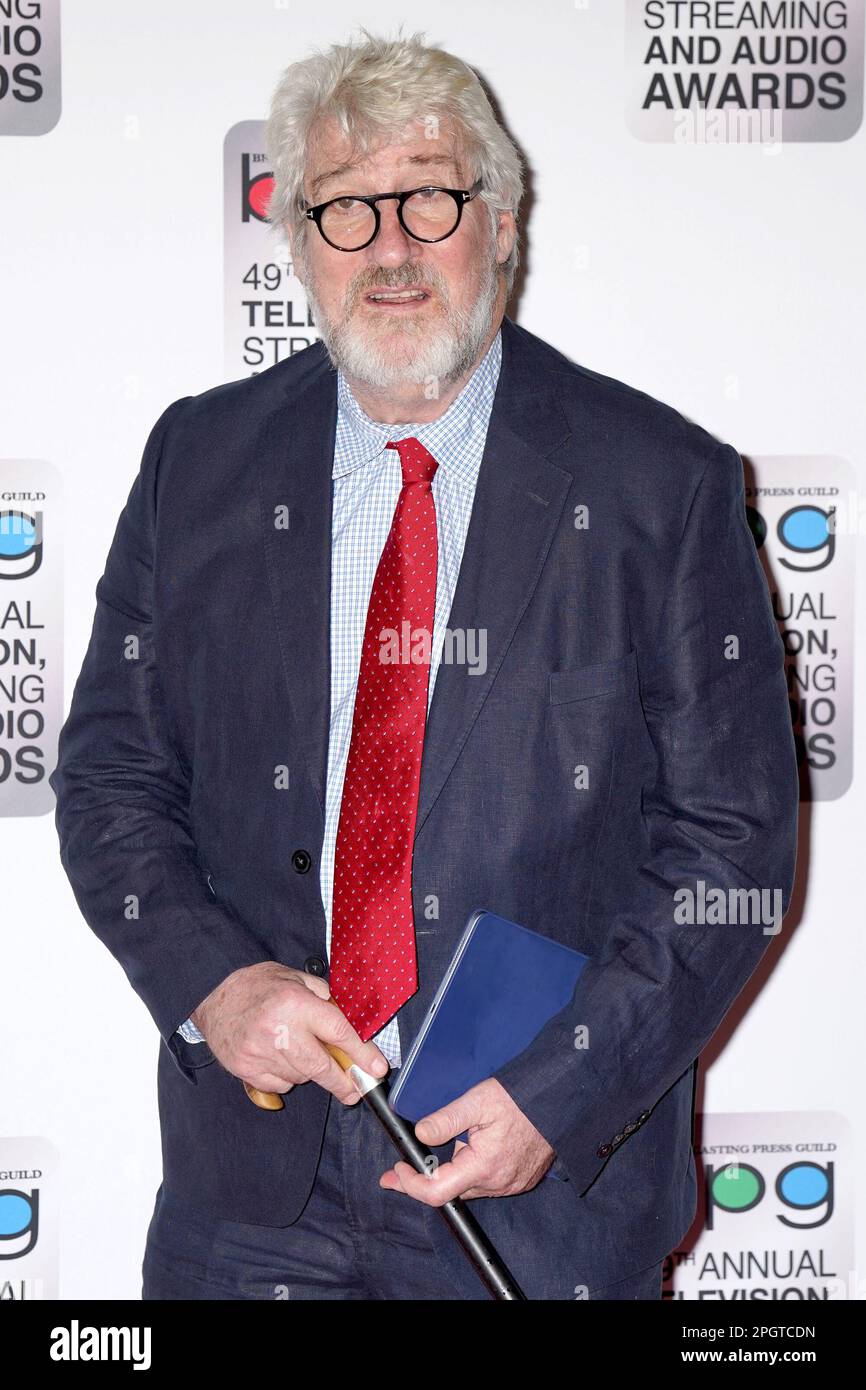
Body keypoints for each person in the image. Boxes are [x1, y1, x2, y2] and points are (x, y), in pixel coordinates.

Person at [50, 29, 799, 1302]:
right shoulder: (199, 464)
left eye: (430, 195)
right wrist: (216, 987)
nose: (389, 245)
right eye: (344, 207)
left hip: (537, 1187)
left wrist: (559, 1088)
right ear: (297, 242)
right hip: (250, 1187)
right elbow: (113, 777)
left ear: (499, 226)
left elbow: (730, 845)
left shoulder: (655, 485)